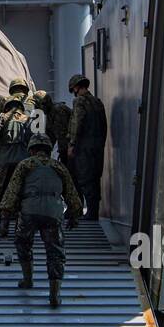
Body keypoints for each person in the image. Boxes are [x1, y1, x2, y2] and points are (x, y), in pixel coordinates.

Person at [0, 136, 82, 301]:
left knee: (23, 243)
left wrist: (5, 216)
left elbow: (11, 192)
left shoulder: (25, 165)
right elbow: (72, 194)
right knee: (55, 252)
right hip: (53, 213)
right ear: (48, 150)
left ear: (31, 150)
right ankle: (54, 293)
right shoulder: (59, 166)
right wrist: (74, 215)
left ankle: (28, 280)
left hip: (29, 212)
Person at [0, 92, 33, 235]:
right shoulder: (27, 119)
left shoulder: (3, 118)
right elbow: (33, 140)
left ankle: (3, 225)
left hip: (4, 160)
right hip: (22, 160)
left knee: (2, 192)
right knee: (22, 192)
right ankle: (20, 227)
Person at [67, 74, 108, 221]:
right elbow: (104, 126)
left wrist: (72, 144)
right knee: (95, 177)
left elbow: (77, 123)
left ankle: (90, 213)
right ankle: (93, 211)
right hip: (97, 146)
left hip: (84, 146)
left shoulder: (79, 102)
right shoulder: (98, 102)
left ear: (76, 88)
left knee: (84, 177)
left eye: (73, 90)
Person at [32, 88, 74, 166]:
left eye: (37, 105)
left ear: (43, 103)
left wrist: (63, 157)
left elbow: (63, 137)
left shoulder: (58, 110)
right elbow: (49, 137)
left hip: (73, 150)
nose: (37, 108)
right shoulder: (50, 113)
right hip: (67, 150)